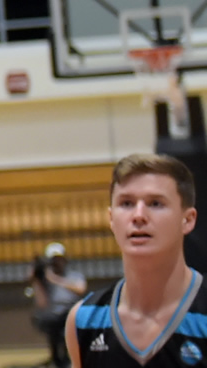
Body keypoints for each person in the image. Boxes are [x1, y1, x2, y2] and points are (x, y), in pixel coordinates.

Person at [68, 154, 204, 368]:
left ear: (187, 220)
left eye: (156, 203)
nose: (139, 215)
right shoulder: (84, 320)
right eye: (127, 203)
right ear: (112, 219)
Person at [32, 242, 88, 368]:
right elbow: (42, 304)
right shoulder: (46, 279)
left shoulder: (73, 275)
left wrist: (56, 280)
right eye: (54, 260)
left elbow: (81, 288)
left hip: (71, 311)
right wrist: (37, 279)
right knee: (47, 321)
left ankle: (70, 358)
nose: (57, 263)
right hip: (53, 314)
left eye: (59, 259)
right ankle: (56, 358)